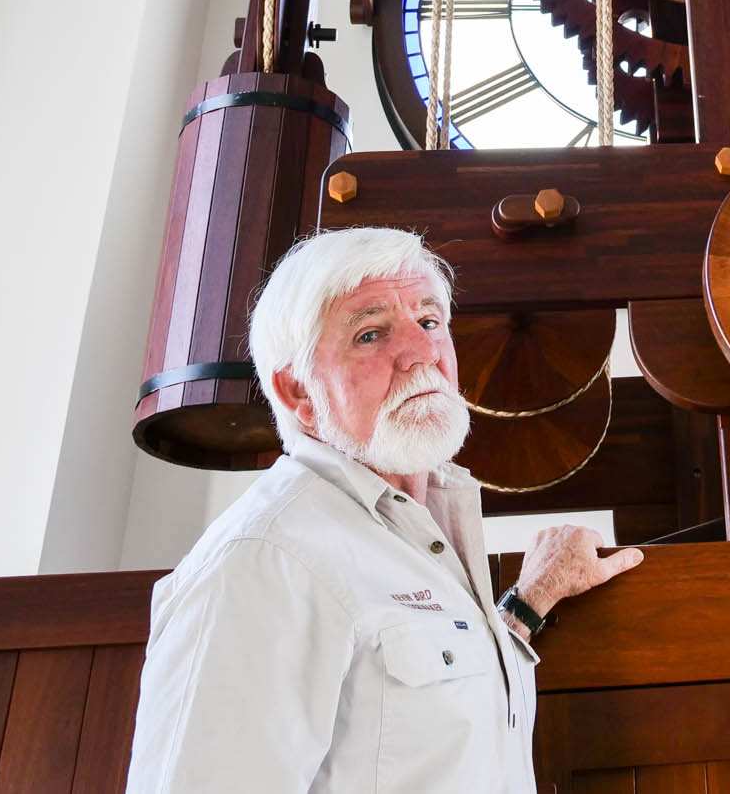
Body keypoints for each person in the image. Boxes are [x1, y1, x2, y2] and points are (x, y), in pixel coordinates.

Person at [126, 226, 642, 791]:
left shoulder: (420, 521)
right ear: (299, 392)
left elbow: (421, 709)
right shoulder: (262, 560)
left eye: (428, 322)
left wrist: (529, 602)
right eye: (371, 335)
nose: (420, 354)